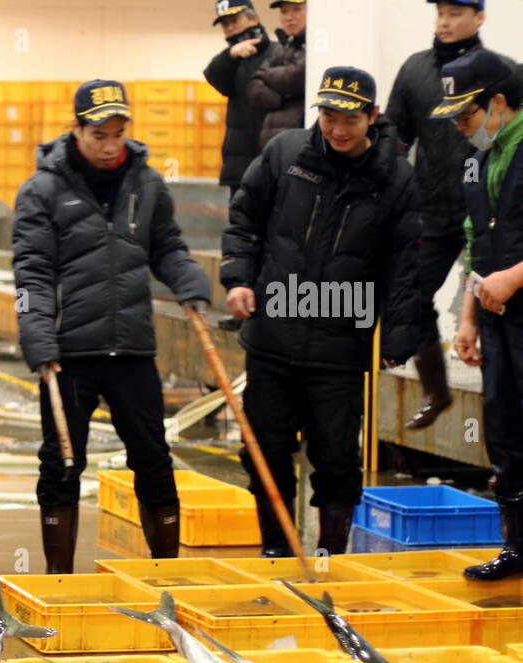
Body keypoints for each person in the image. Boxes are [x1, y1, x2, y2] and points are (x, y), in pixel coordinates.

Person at [222, 67, 422, 557]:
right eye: (329, 116)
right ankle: (278, 549)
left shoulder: (397, 178)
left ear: (372, 116)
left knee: (335, 459)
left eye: (349, 119)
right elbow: (245, 218)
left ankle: (331, 558)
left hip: (340, 343)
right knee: (264, 452)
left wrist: (399, 333)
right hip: (272, 336)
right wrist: (239, 278)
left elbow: (406, 264)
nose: (337, 129)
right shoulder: (286, 153)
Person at [14, 81, 211, 569]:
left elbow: (167, 246)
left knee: (153, 459)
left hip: (131, 349)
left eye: (118, 134)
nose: (109, 145)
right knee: (61, 463)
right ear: (76, 128)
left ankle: (165, 573)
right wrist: (38, 339)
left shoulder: (147, 185)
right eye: (99, 133)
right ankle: (59, 578)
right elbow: (30, 274)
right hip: (68, 354)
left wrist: (190, 283)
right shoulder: (42, 190)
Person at [387, 0, 517, 431]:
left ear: (479, 17)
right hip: (434, 210)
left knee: (498, 305)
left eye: (455, 13)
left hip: (495, 215)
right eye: (439, 13)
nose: (444, 22)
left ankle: (498, 405)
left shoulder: (504, 72)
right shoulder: (415, 70)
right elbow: (394, 136)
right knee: (410, 295)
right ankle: (435, 389)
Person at [437, 50, 523, 580]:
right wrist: (468, 317)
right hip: (495, 320)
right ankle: (518, 549)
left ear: (497, 102)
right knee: (506, 434)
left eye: (467, 117)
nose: (464, 130)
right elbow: (475, 241)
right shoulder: (477, 158)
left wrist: (515, 276)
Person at [204, 1, 277, 200]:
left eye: (234, 20)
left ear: (254, 18)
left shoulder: (279, 53)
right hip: (240, 165)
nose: (230, 28)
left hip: (273, 159)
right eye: (225, 24)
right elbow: (213, 76)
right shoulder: (230, 63)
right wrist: (230, 55)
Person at [248, 1, 308, 149]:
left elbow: (297, 76)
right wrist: (280, 97)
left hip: (298, 143)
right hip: (272, 145)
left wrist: (267, 75)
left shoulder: (317, 47)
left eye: (296, 9)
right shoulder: (282, 48)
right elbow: (253, 88)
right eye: (284, 12)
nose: (289, 17)